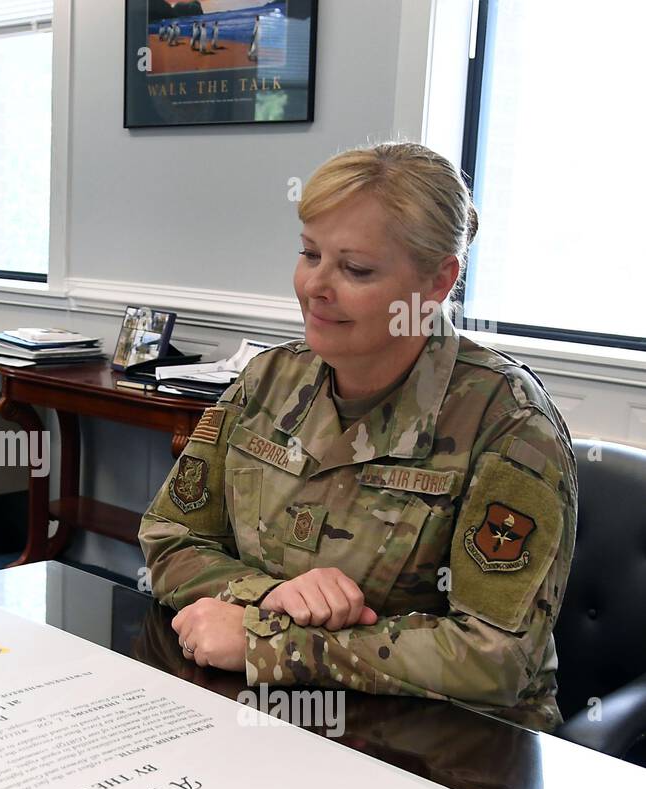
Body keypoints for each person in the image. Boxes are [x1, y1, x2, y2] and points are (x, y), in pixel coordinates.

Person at [138, 142, 577, 731]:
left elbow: (497, 657)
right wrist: (268, 595)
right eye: (309, 253)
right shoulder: (268, 380)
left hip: (455, 744)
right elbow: (169, 535)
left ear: (438, 281)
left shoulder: (508, 423)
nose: (316, 285)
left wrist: (272, 646)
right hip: (283, 722)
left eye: (355, 269)